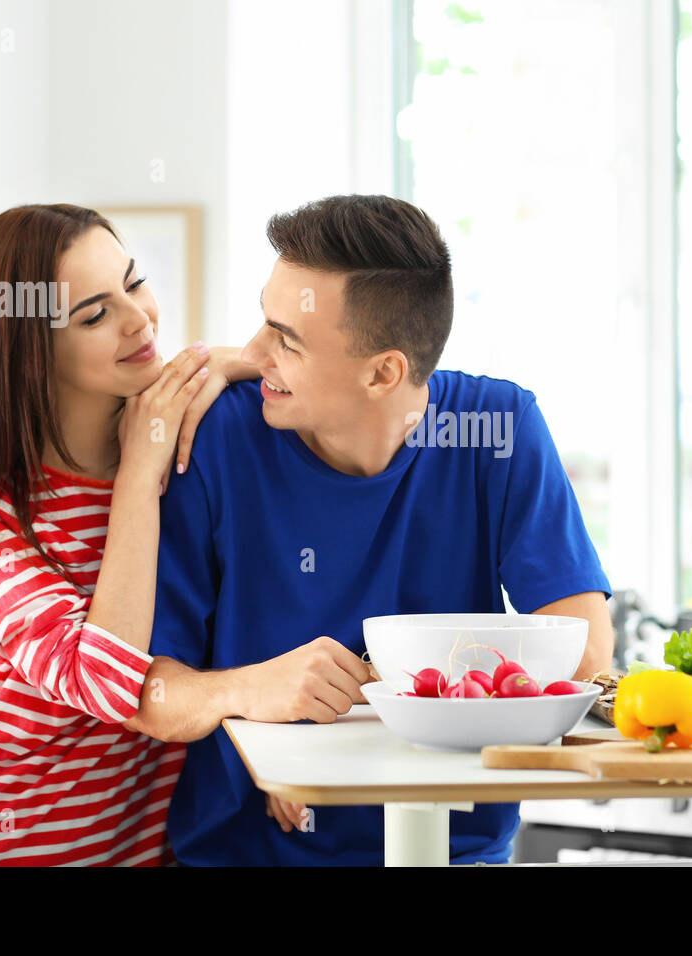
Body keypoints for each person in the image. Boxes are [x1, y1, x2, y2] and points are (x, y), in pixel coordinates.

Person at [150, 194, 614, 865]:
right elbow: (154, 695)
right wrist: (259, 695)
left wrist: (356, 693)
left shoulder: (498, 429)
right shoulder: (217, 437)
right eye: (264, 321)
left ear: (383, 372)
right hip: (251, 852)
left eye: (287, 338)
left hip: (456, 849)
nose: (252, 354)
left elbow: (584, 652)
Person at [0, 204, 260, 865]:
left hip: (117, 848)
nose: (138, 319)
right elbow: (107, 681)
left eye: (135, 282)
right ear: (29, 353)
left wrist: (229, 361)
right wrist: (136, 478)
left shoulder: (178, 434)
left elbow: (302, 380)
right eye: (94, 315)